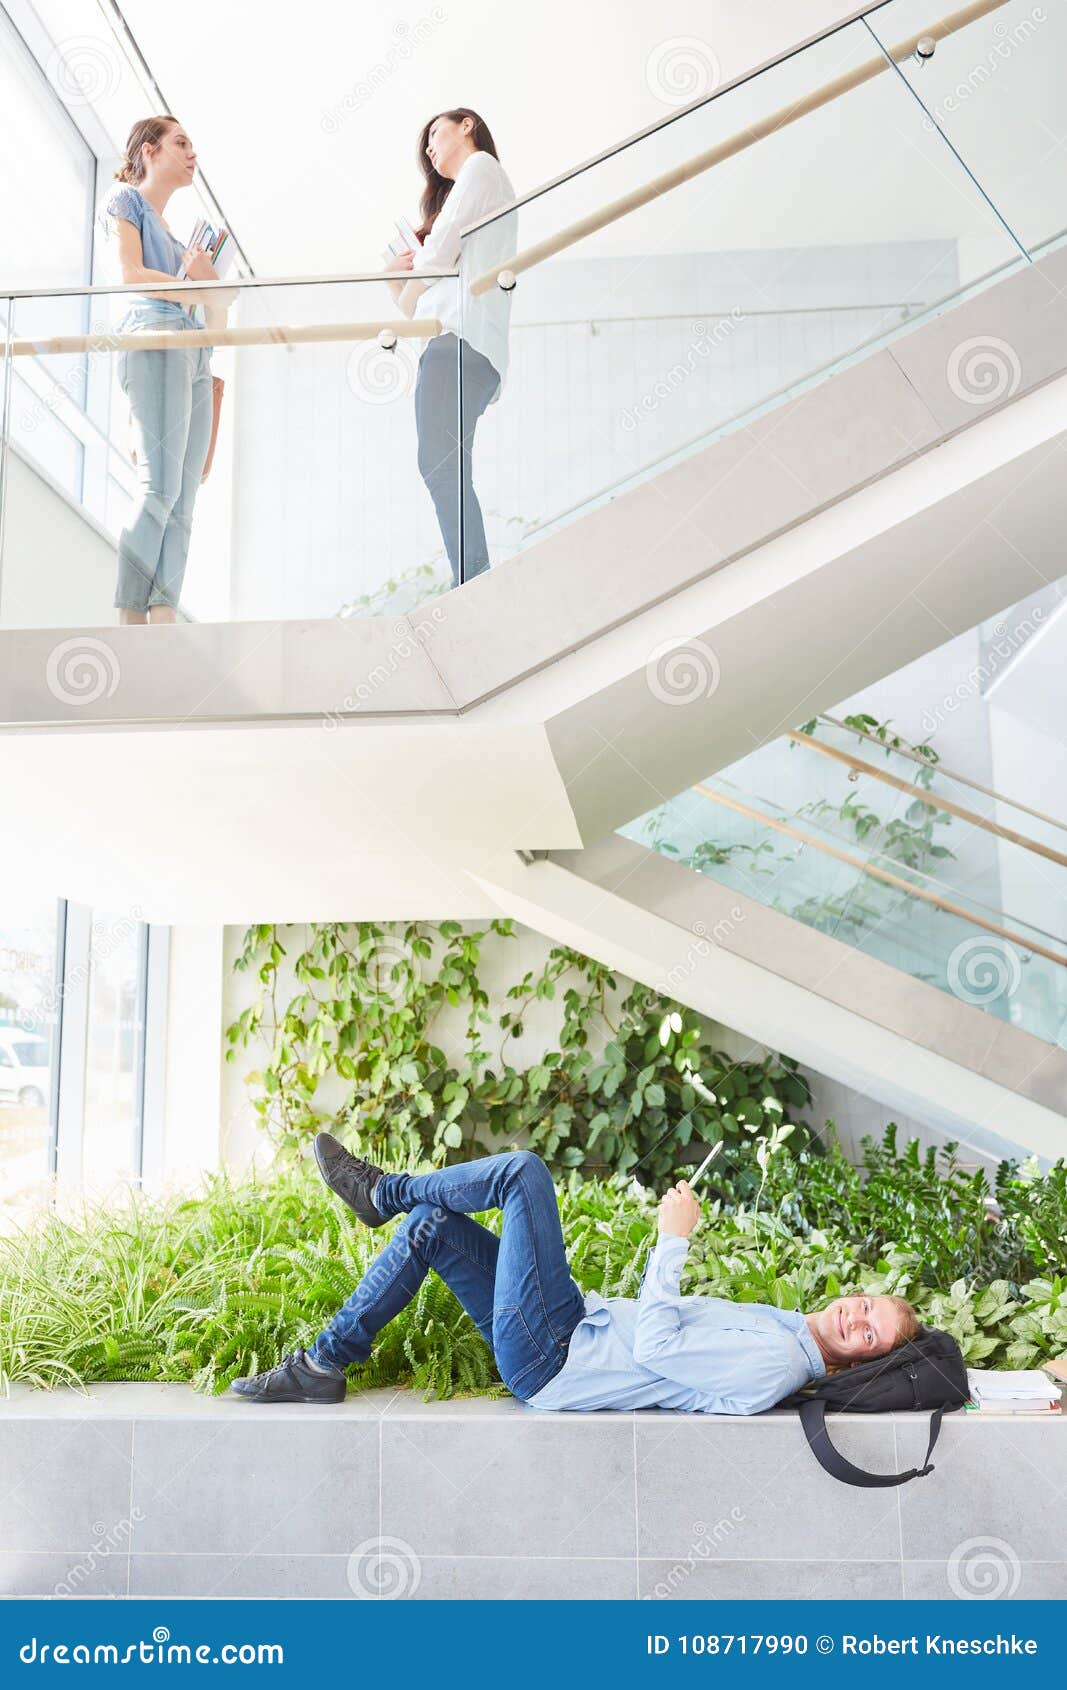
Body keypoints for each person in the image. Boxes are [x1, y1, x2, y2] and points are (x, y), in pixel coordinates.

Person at [231, 1141, 920, 1407]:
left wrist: (670, 1242)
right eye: (864, 1306)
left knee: (523, 1173)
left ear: (856, 1364)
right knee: (435, 1227)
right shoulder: (779, 1327)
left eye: (868, 1334)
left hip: (554, 1356)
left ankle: (381, 1193)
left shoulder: (775, 1362)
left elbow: (656, 1349)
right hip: (570, 1324)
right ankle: (323, 1363)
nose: (854, 1318)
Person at [100, 116, 231, 625]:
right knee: (158, 489)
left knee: (184, 500)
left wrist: (208, 281)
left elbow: (213, 310)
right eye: (181, 143)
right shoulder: (125, 200)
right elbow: (130, 275)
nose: (192, 152)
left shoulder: (177, 238)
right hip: (154, 335)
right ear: (150, 151)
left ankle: (162, 622)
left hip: (194, 350)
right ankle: (131, 623)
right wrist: (200, 288)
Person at [385, 108, 515, 587]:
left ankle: (475, 578)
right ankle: (474, 576)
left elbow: (440, 251)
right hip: (463, 342)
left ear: (467, 125)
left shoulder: (480, 168)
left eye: (435, 134)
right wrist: (401, 281)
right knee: (444, 463)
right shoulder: (476, 187)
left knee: (439, 462)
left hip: (458, 340)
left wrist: (413, 272)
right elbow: (413, 304)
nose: (430, 148)